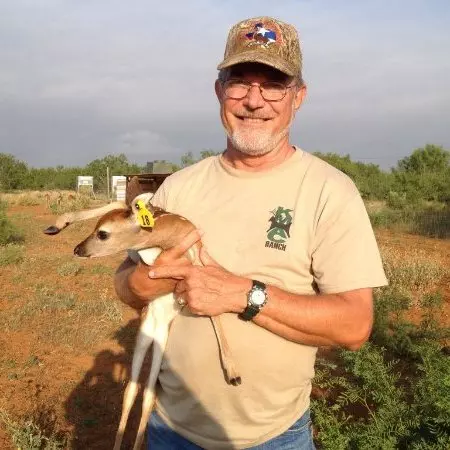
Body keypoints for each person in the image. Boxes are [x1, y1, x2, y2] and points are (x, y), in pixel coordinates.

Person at [114, 16, 387, 450]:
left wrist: (246, 293)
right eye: (240, 82)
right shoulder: (177, 188)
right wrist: (144, 280)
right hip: (169, 430)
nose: (254, 101)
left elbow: (354, 325)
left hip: (275, 437)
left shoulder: (328, 191)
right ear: (219, 91)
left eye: (273, 84)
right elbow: (125, 287)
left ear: (298, 96)